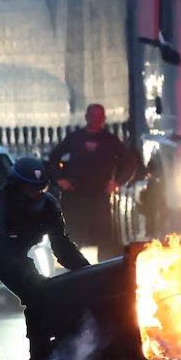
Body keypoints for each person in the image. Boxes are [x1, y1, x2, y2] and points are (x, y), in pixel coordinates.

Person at [0, 157, 90, 360]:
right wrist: (29, 276)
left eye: (42, 188)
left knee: (40, 299)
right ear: (16, 186)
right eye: (31, 188)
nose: (37, 193)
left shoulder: (49, 206)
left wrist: (88, 272)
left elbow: (62, 247)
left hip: (15, 256)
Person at [47, 103, 138, 261]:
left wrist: (117, 182)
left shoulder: (109, 140)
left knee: (104, 235)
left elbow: (129, 161)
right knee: (74, 233)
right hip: (76, 195)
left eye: (99, 117)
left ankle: (105, 267)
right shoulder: (75, 138)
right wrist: (60, 179)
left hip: (100, 195)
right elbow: (54, 158)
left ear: (103, 119)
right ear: (86, 117)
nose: (95, 120)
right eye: (92, 116)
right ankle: (74, 266)